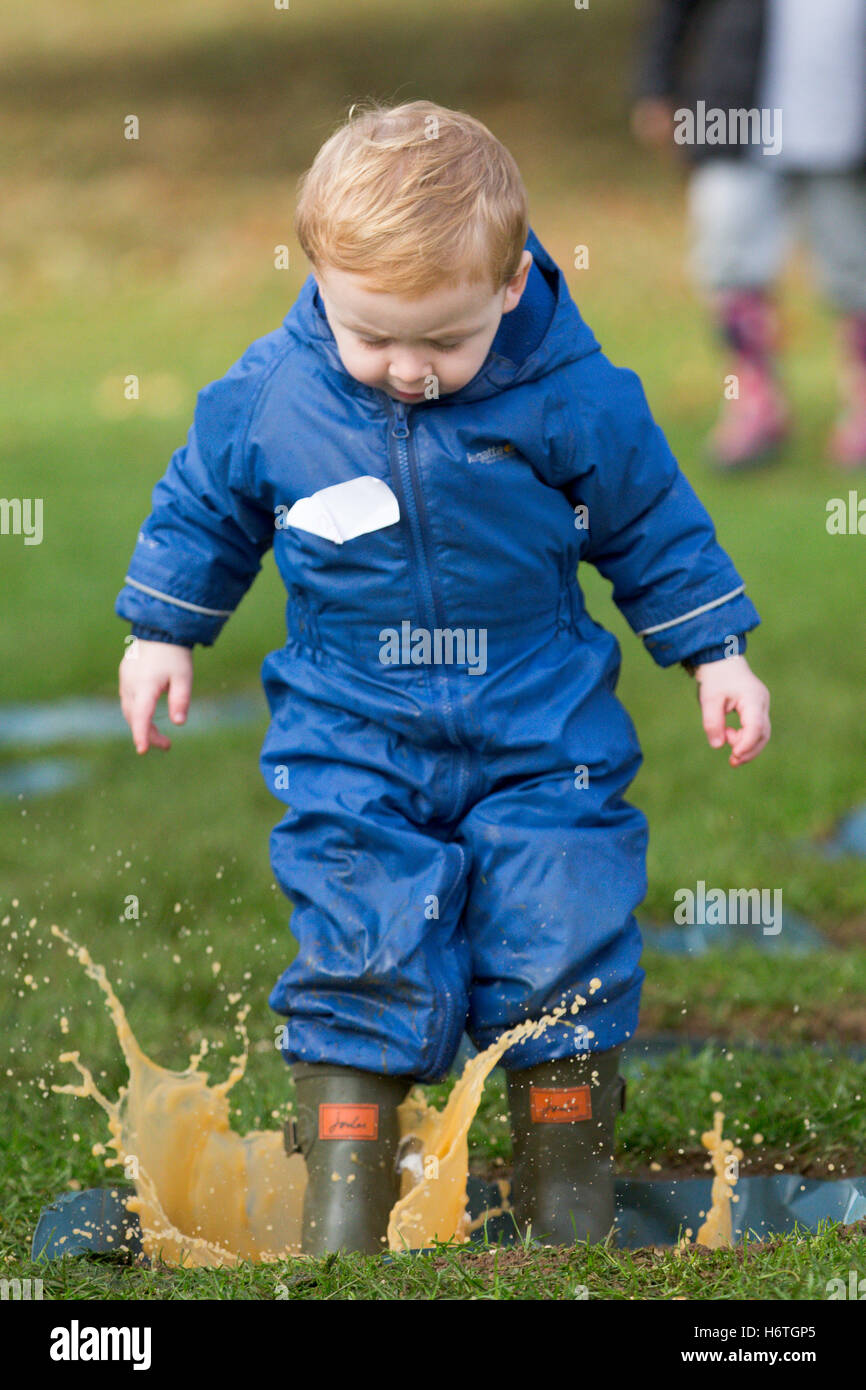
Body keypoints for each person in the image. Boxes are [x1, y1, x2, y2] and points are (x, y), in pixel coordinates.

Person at [115, 99, 771, 1254]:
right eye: (373, 339)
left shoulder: (575, 395)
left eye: (445, 342)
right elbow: (203, 507)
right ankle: (344, 1217)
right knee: (360, 934)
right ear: (318, 278)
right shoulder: (275, 394)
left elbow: (654, 525)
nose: (409, 372)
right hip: (350, 732)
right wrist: (164, 628)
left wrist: (715, 651)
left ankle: (564, 1205)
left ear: (512, 282)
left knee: (560, 932)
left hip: (542, 731)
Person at [633, 0, 866, 470]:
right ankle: (755, 406)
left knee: (856, 268)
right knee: (729, 261)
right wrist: (655, 86)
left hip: (844, 116)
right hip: (735, 111)